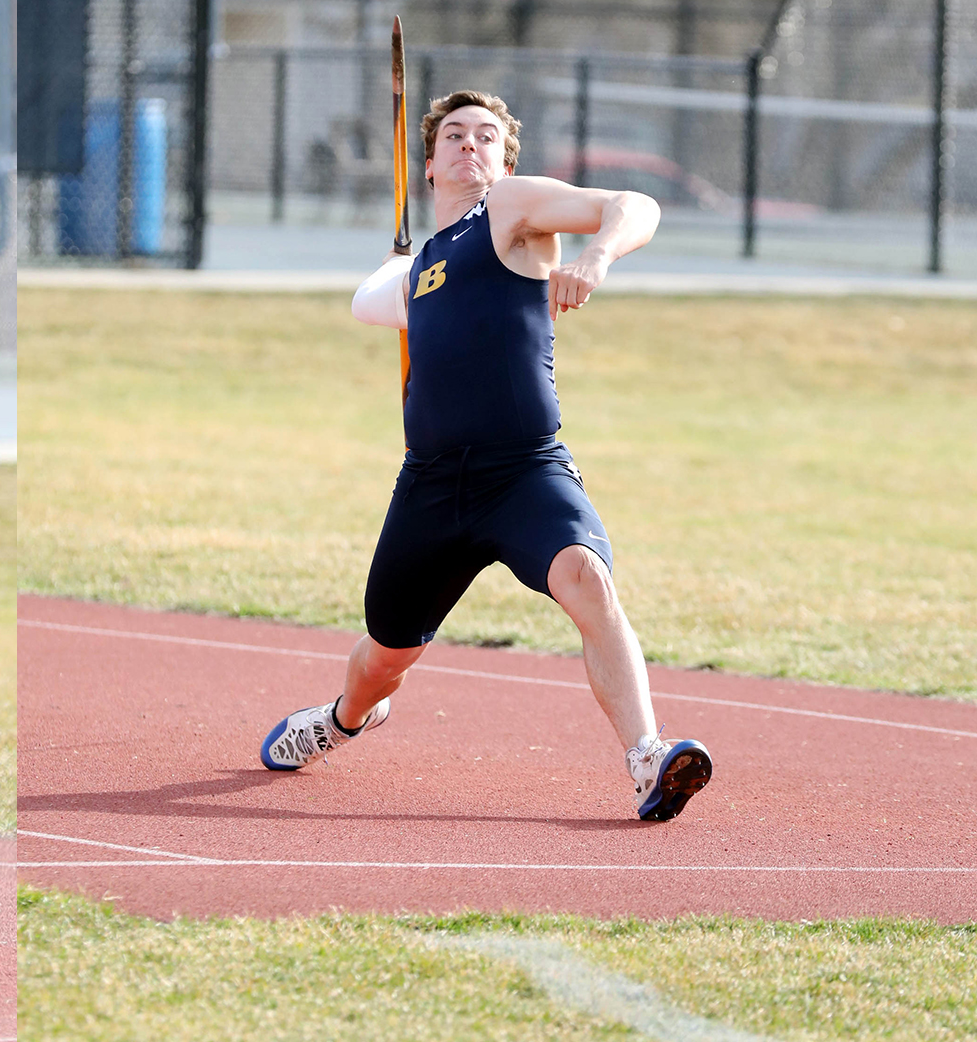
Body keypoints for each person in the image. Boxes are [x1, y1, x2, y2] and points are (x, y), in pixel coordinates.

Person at [259, 90, 713, 822]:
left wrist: (596, 256)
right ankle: (343, 719)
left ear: (505, 160)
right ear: (429, 166)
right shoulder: (424, 266)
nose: (471, 146)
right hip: (431, 489)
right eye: (454, 137)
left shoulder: (512, 209)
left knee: (586, 578)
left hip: (524, 470)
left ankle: (648, 756)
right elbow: (366, 300)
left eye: (488, 137)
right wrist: (399, 263)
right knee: (383, 659)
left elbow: (634, 203)